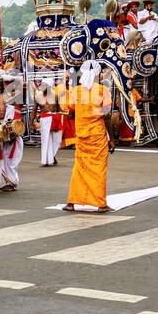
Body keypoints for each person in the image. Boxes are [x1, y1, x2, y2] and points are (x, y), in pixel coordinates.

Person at [62, 60, 115, 213]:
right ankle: (101, 204)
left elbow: (70, 114)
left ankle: (71, 202)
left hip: (82, 135)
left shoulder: (76, 91)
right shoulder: (102, 90)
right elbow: (106, 117)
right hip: (97, 136)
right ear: (98, 74)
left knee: (80, 167)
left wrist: (81, 114)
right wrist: (111, 138)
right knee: (98, 169)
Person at [36, 79, 65, 166]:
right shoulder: (38, 97)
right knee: (46, 140)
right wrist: (31, 122)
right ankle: (46, 160)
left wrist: (68, 111)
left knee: (57, 140)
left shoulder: (55, 96)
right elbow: (34, 110)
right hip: (45, 119)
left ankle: (51, 156)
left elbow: (59, 109)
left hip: (55, 118)